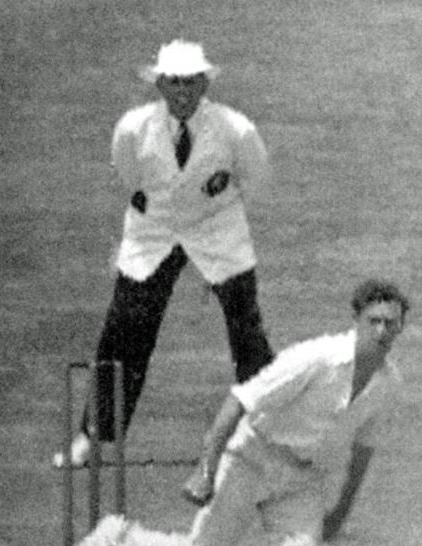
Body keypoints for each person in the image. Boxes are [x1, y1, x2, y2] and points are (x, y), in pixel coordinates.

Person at [61, 280, 411, 546]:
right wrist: (206, 469)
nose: (382, 331)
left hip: (302, 480)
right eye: (374, 321)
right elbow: (240, 401)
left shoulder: (389, 384)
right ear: (356, 320)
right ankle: (117, 537)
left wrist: (340, 511)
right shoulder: (315, 358)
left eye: (391, 323)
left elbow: (363, 451)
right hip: (252, 456)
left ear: (402, 327)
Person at [65, 40, 273, 493]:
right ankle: (94, 436)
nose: (182, 92)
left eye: (191, 82)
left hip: (218, 231)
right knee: (123, 331)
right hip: (153, 231)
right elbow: (128, 175)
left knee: (248, 334)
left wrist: (216, 213)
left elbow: (255, 177)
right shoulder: (134, 128)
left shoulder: (234, 129)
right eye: (173, 82)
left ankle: (271, 435)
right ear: (160, 84)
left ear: (205, 83)